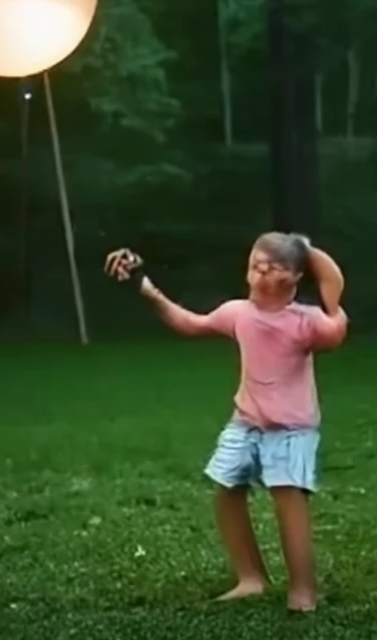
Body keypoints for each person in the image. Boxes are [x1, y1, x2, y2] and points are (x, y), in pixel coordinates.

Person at [103, 233, 348, 613]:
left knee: (288, 499)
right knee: (226, 487)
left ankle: (303, 590)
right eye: (255, 265)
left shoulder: (306, 322)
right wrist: (143, 286)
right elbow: (189, 323)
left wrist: (306, 249)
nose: (259, 273)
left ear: (294, 278)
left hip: (291, 427)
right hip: (246, 420)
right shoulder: (238, 313)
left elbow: (335, 317)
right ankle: (250, 578)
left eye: (272, 268)